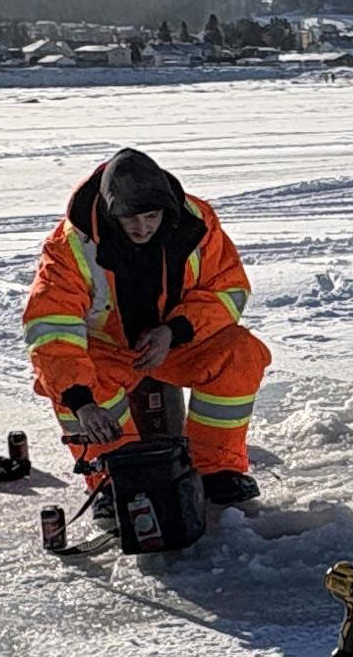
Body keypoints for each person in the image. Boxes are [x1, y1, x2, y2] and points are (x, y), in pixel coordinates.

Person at [22, 147, 270, 508]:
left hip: (174, 342)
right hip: (106, 349)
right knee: (74, 382)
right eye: (131, 220)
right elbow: (51, 330)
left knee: (241, 352)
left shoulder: (198, 223)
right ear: (111, 213)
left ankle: (216, 469)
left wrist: (175, 331)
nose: (143, 228)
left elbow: (228, 290)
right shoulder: (70, 247)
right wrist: (81, 402)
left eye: (151, 217)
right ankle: (110, 478)